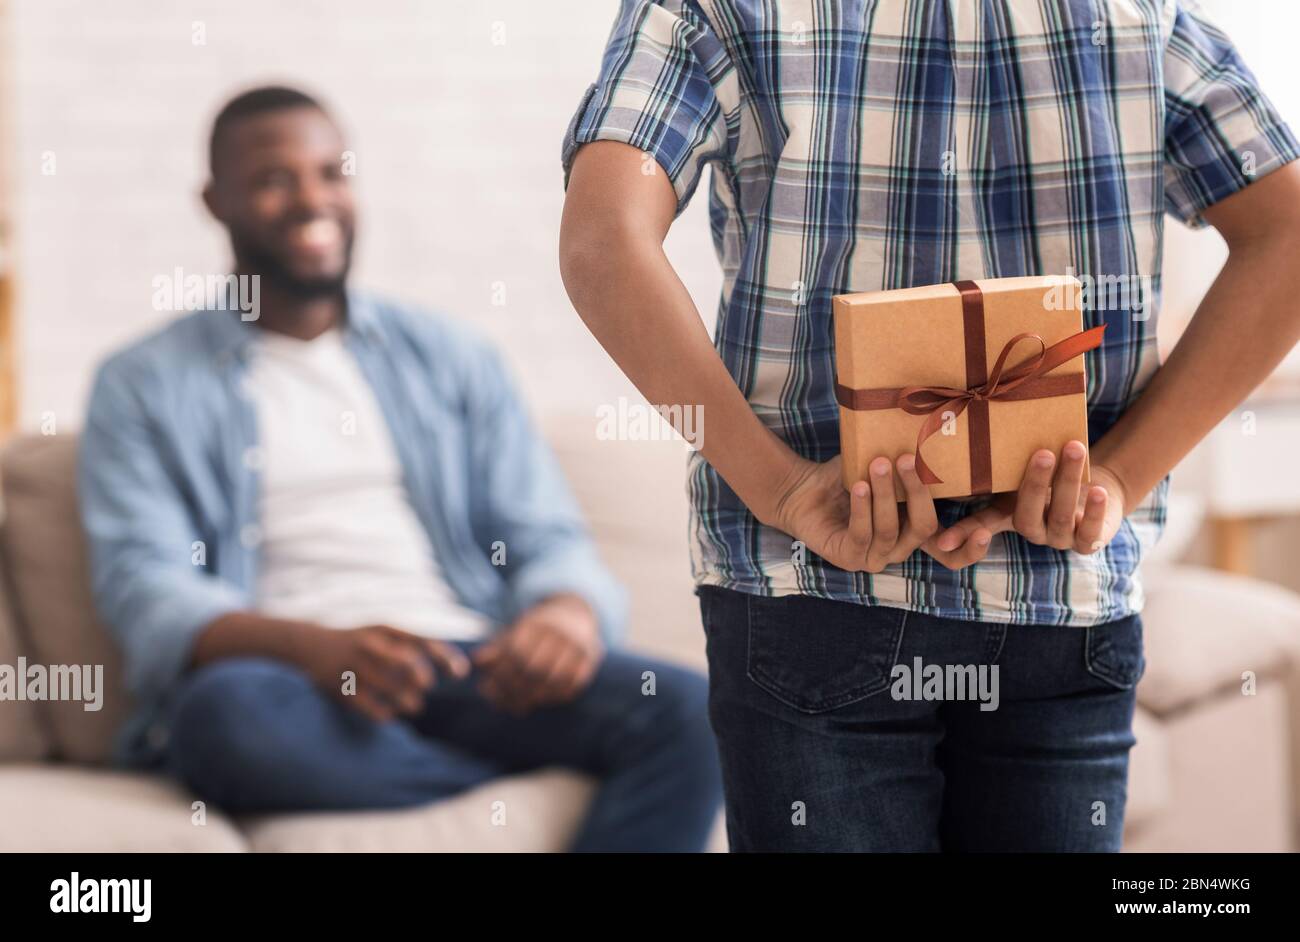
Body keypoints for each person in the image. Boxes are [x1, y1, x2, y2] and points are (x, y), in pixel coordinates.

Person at [558, 0, 1300, 851]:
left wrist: (786, 488)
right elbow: (1290, 232)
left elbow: (601, 240)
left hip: (814, 592)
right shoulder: (1142, 12)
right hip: (1060, 595)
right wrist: (1118, 477)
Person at [79, 85, 722, 853]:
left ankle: (483, 749)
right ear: (216, 201)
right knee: (219, 722)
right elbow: (148, 590)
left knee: (690, 711)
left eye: (330, 172)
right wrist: (319, 648)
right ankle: (493, 769)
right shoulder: (142, 383)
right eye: (274, 178)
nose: (311, 198)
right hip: (294, 685)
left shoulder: (451, 358)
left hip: (466, 664)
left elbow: (544, 534)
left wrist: (564, 613)